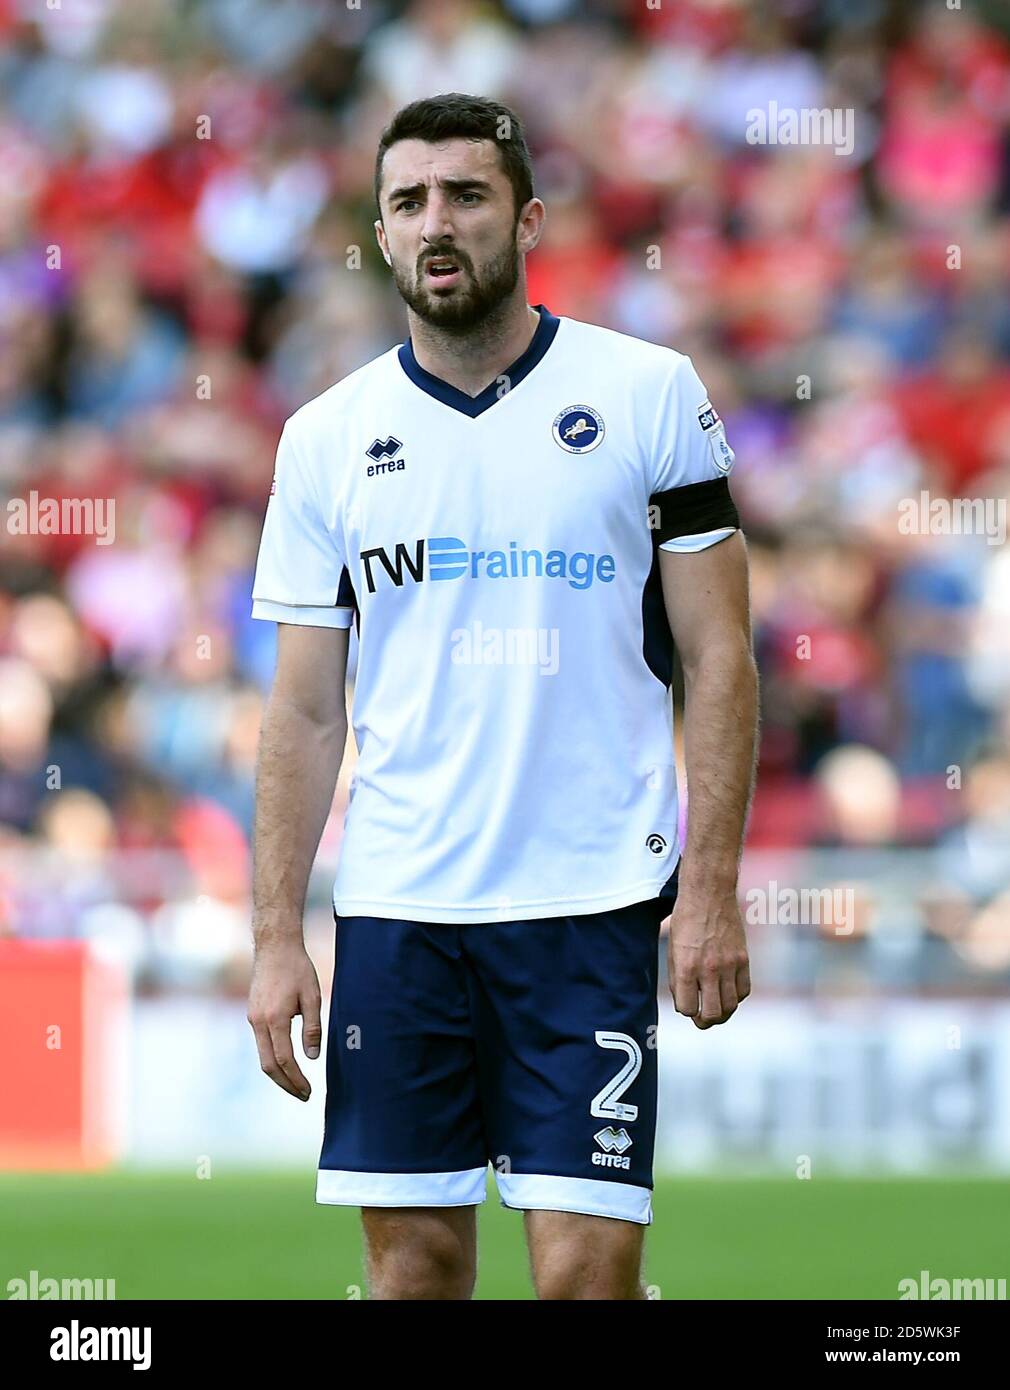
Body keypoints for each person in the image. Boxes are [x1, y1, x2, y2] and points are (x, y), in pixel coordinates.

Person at [247, 92, 758, 1300]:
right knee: (411, 1277)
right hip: (397, 916)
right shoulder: (325, 438)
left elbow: (721, 654)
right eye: (409, 201)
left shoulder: (646, 392)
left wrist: (716, 890)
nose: (438, 222)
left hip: (586, 904)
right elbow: (305, 714)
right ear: (379, 232)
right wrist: (275, 935)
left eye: (466, 195)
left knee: (586, 1277)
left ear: (524, 218)